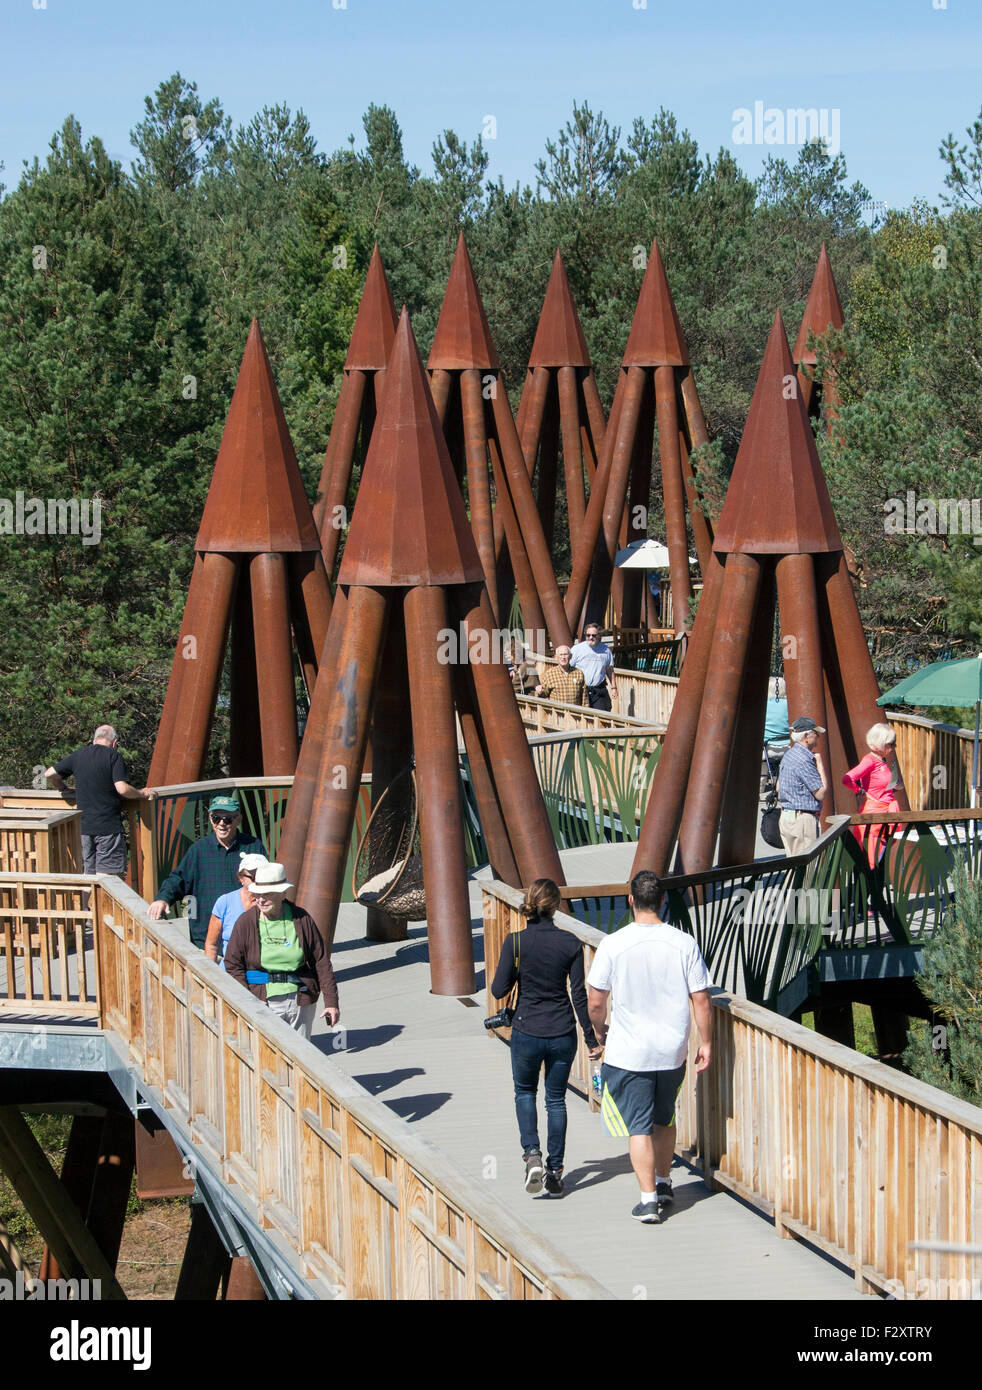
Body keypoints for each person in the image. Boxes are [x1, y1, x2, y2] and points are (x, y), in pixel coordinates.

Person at [587, 870, 712, 1223]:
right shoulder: (683, 942)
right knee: (664, 1116)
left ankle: (648, 1200)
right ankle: (665, 1180)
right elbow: (701, 999)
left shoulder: (613, 944)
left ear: (631, 901)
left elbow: (596, 1000)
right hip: (673, 1049)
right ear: (661, 901)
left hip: (631, 1052)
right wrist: (707, 1042)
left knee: (639, 1126)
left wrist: (599, 1031)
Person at [491, 879, 601, 1197]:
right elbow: (579, 996)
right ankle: (555, 1170)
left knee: (525, 1093)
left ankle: (532, 1155)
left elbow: (499, 990)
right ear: (555, 907)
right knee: (556, 1100)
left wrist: (516, 971)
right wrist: (592, 1041)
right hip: (563, 1032)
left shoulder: (516, 943)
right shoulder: (571, 944)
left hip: (526, 1031)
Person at [224, 861, 339, 1038]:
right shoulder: (245, 922)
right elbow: (232, 964)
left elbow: (321, 961)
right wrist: (250, 1000)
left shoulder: (302, 919)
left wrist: (331, 1002)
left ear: (283, 893)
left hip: (300, 1000)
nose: (261, 899)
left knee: (301, 1057)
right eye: (258, 893)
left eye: (268, 894)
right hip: (261, 1000)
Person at [147, 795, 265, 948]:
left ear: (238, 819)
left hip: (247, 936)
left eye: (228, 819)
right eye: (216, 818)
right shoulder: (199, 849)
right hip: (207, 937)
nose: (221, 823)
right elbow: (178, 879)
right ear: (210, 818)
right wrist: (162, 899)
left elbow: (268, 882)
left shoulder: (253, 846)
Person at [45, 725, 151, 875]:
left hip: (85, 827)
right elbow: (122, 789)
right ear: (114, 742)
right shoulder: (113, 756)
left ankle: (87, 900)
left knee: (89, 875)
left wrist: (63, 789)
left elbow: (49, 774)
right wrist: (141, 793)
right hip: (108, 828)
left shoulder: (79, 755)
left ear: (95, 740)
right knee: (108, 878)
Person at [843, 723, 901, 868]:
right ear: (880, 744)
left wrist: (892, 788)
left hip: (883, 813)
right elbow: (847, 778)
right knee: (871, 861)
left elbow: (878, 784)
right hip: (874, 815)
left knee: (878, 860)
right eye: (891, 744)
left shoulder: (881, 760)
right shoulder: (870, 760)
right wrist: (860, 791)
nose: (894, 747)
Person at [204, 852, 269, 965]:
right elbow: (211, 945)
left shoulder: (272, 904)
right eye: (253, 877)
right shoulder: (224, 902)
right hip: (229, 974)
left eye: (262, 876)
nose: (258, 881)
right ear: (240, 878)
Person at [777, 716, 828, 856]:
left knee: (793, 867)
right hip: (802, 820)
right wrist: (820, 764)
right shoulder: (804, 759)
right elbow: (821, 793)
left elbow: (778, 788)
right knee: (806, 870)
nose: (818, 738)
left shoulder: (789, 755)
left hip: (787, 816)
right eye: (816, 734)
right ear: (806, 736)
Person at [569, 624, 619, 713]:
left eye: (594, 635)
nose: (591, 637)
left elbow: (609, 669)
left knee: (603, 715)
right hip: (581, 689)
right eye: (588, 635)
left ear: (598, 636)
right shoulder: (577, 649)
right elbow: (568, 668)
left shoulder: (605, 650)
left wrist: (614, 687)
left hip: (599, 690)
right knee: (581, 716)